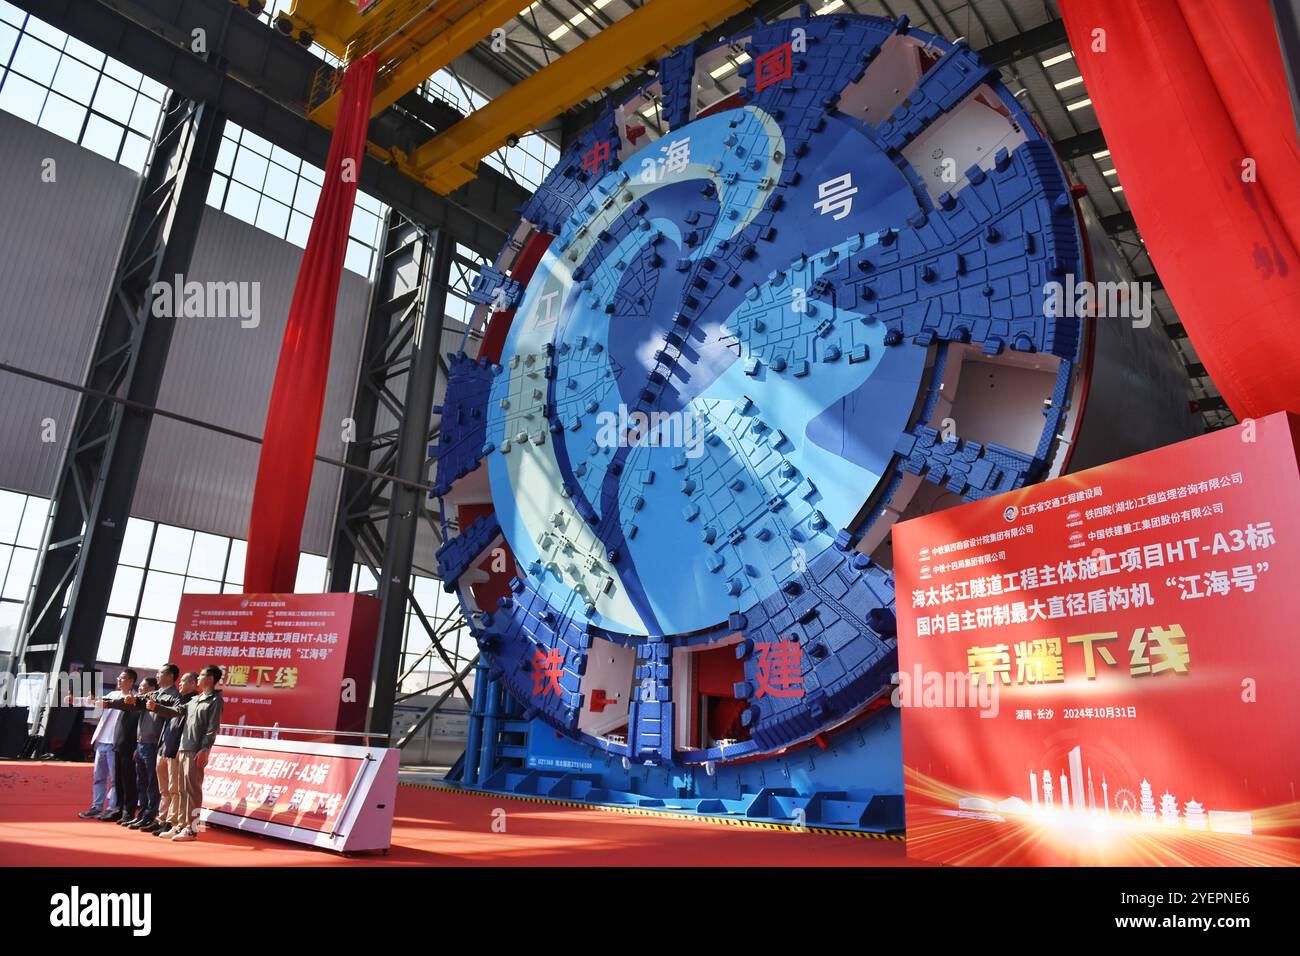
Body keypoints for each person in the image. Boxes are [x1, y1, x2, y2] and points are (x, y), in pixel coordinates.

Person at [148, 665, 223, 842]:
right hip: (184, 748)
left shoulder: (215, 700)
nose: (198, 679)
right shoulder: (195, 699)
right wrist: (156, 707)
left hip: (196, 750)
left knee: (193, 790)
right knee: (181, 789)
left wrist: (205, 748)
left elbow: (212, 728)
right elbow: (176, 711)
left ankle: (192, 828)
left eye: (201, 676)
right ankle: (180, 825)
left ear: (210, 679)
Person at [66, 669, 136, 820]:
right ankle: (96, 806)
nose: (118, 680)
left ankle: (112, 808)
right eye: (118, 677)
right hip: (102, 742)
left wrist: (100, 702)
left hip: (115, 743)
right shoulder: (112, 695)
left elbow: (106, 703)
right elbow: (94, 700)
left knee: (115, 779)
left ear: (130, 681)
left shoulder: (132, 699)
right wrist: (75, 700)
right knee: (99, 776)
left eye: (122, 678)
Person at [154, 671, 196, 838]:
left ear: (193, 683)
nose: (180, 683)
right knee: (164, 788)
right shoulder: (178, 698)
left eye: (184, 681)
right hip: (164, 748)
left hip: (176, 750)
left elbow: (188, 729)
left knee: (175, 789)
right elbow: (167, 724)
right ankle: (162, 819)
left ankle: (173, 823)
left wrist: (180, 747)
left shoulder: (193, 701)